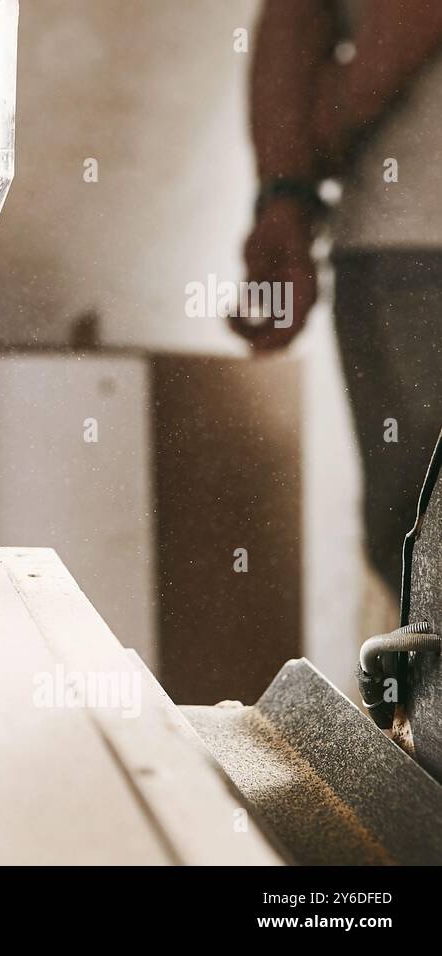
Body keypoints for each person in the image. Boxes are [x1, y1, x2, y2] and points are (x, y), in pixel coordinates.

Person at [236, 0, 442, 601]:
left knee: (416, 542)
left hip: (404, 242)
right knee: (419, 544)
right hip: (404, 244)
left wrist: (294, 178)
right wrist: (287, 194)